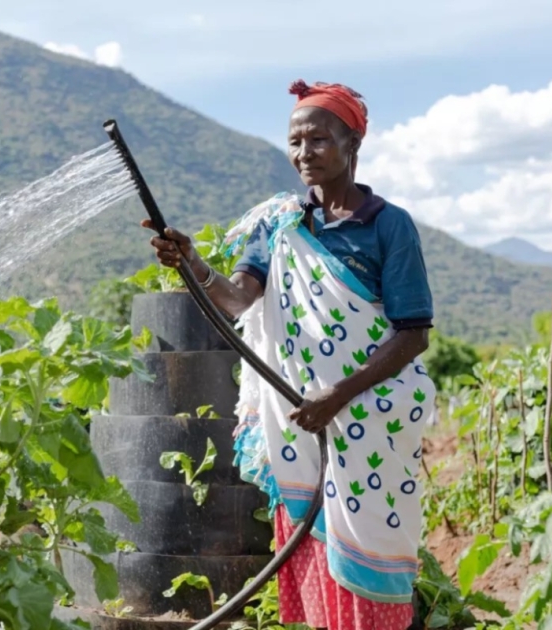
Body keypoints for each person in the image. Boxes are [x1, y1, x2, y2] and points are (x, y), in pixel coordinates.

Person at [143, 80, 436, 630]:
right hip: (304, 425)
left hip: (368, 418)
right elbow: (237, 300)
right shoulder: (279, 224)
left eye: (319, 140)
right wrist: (192, 263)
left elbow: (414, 332)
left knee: (371, 549)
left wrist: (337, 395)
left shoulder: (388, 225)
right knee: (312, 551)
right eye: (296, 141)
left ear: (353, 144)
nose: (305, 153)